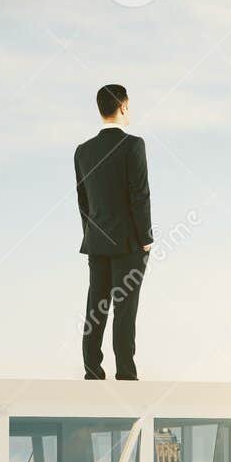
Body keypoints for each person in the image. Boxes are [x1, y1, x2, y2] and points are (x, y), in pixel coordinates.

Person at [74, 83, 153, 380]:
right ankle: (125, 373)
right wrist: (145, 237)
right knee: (125, 310)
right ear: (123, 106)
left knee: (96, 306)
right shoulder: (134, 145)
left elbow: (83, 202)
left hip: (96, 241)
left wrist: (91, 235)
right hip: (129, 242)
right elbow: (140, 195)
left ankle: (92, 370)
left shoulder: (83, 151)